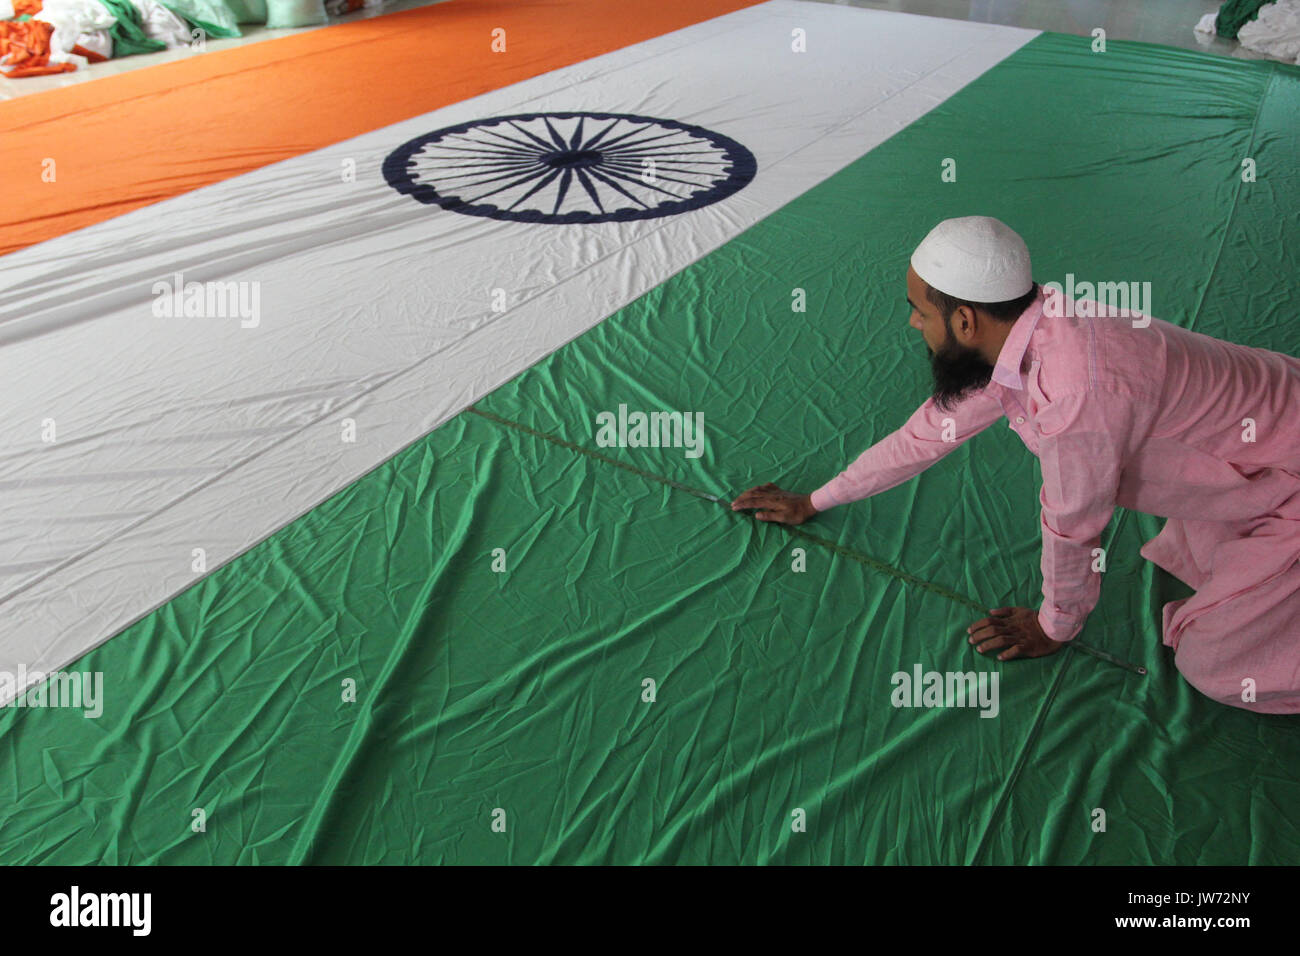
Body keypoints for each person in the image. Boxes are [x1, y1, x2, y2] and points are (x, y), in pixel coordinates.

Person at [732, 216, 1300, 714]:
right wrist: (815, 500)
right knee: (1200, 552)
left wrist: (1055, 625)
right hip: (1268, 450)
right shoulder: (1031, 331)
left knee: (1216, 666)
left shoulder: (1075, 390)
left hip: (1289, 479)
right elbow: (926, 434)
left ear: (963, 323)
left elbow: (1074, 524)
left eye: (918, 312)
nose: (912, 326)